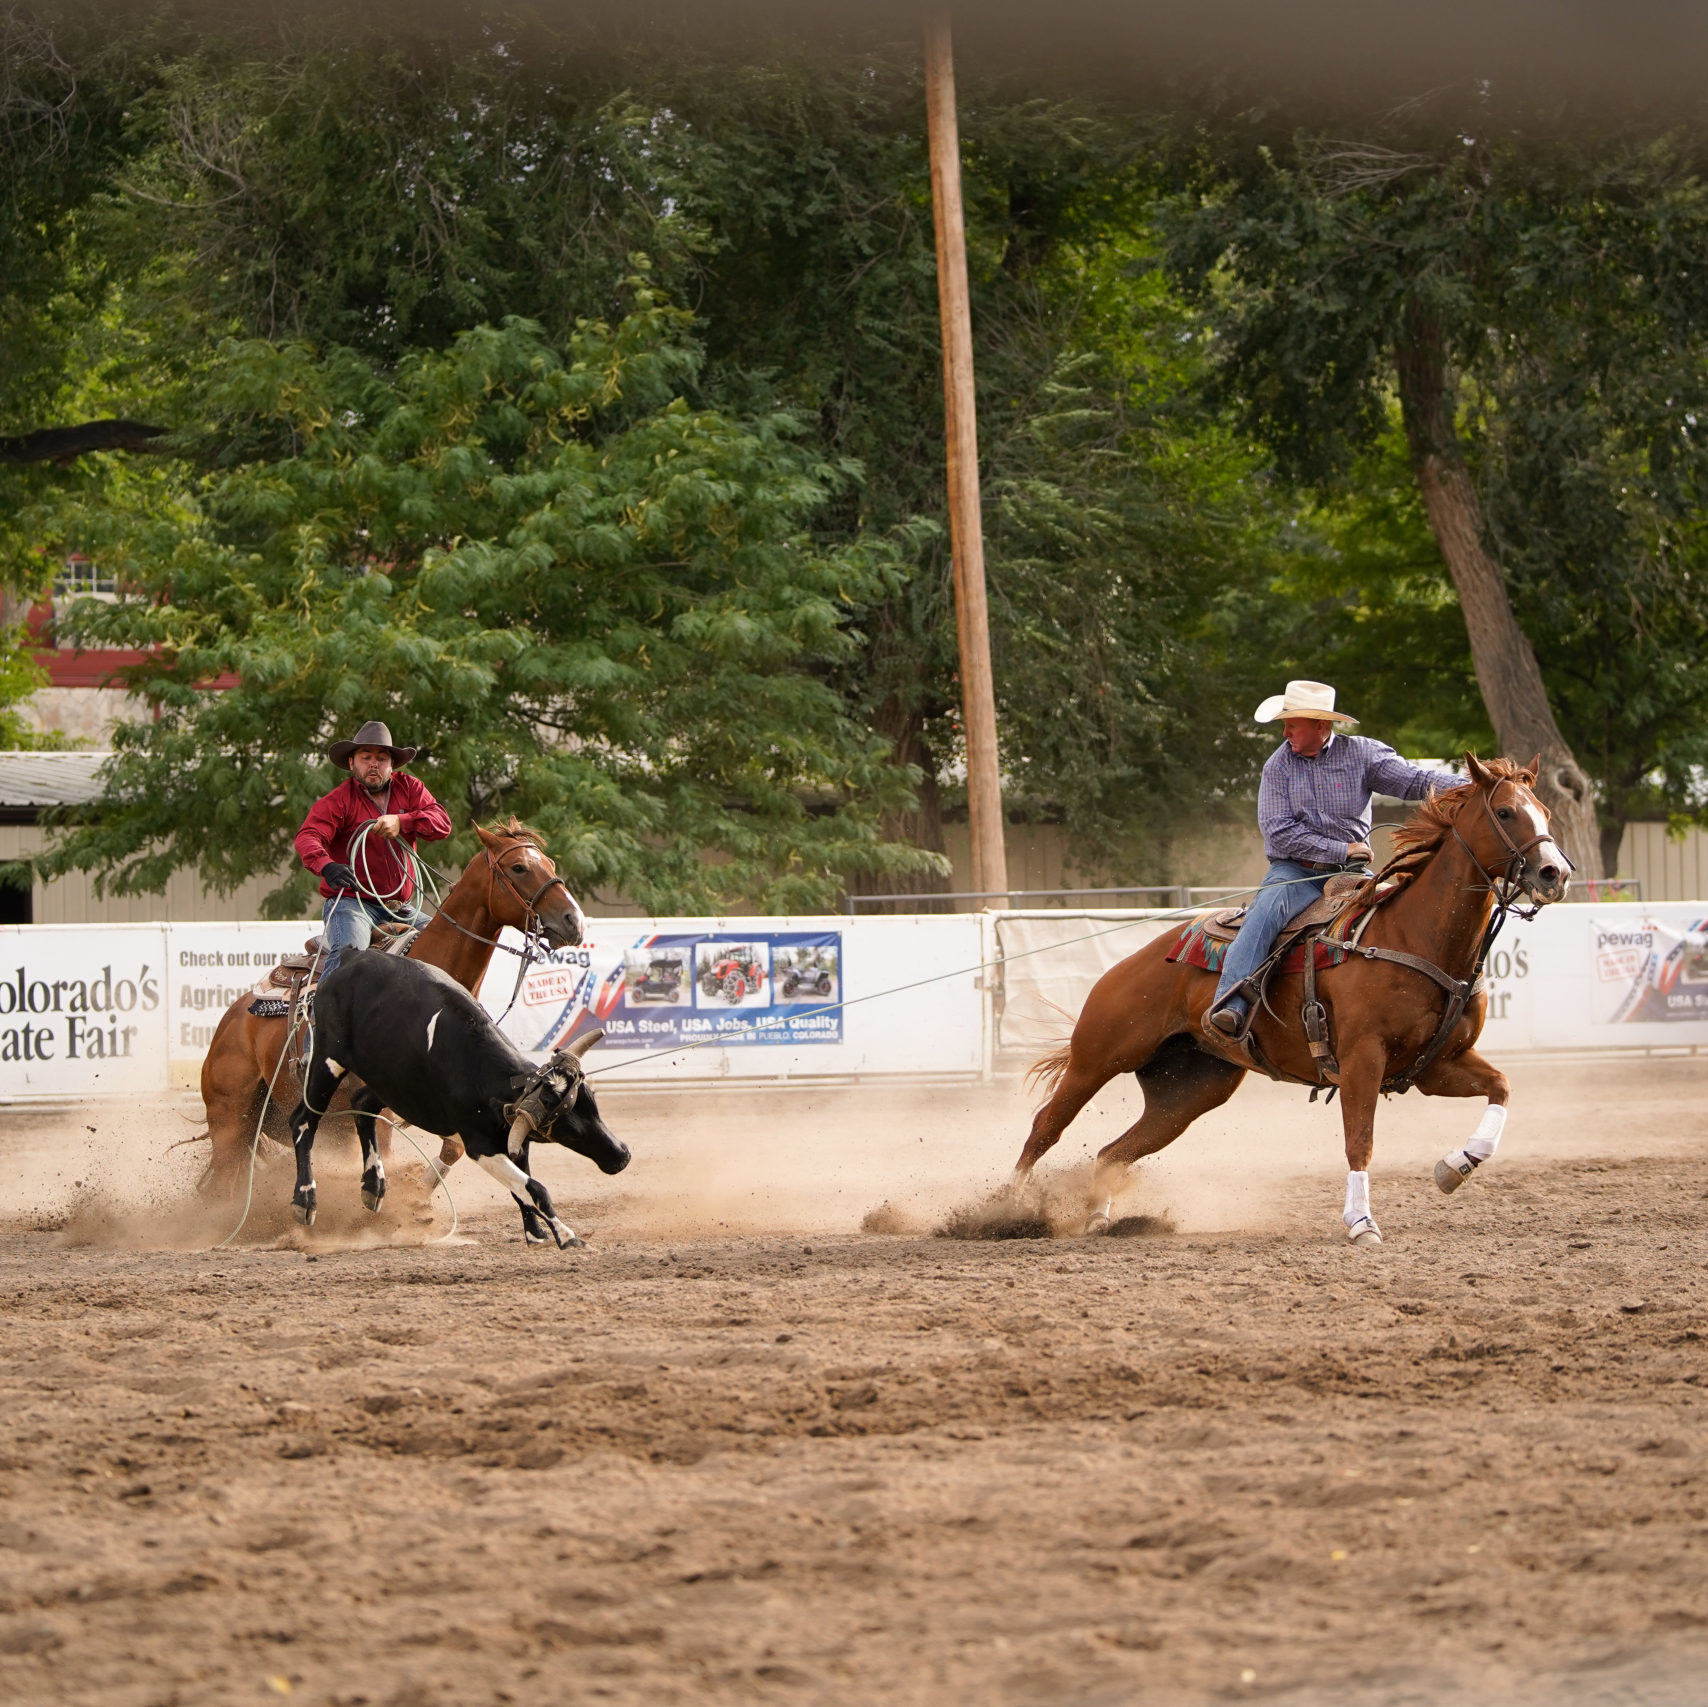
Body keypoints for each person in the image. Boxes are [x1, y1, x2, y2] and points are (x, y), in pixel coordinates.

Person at [1205, 681, 1460, 1040]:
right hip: (1294, 872)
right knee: (1263, 916)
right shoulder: (1277, 767)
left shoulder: (1362, 755)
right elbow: (1279, 833)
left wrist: (1475, 784)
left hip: (1354, 874)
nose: (1285, 731)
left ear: (1321, 726)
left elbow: (1416, 781)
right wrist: (1342, 850)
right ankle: (1231, 1004)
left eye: (1293, 724)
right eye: (1285, 723)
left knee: (1399, 921)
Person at [294, 720, 453, 982]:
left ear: (391, 765)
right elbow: (308, 836)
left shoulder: (411, 788)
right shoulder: (339, 800)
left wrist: (402, 822)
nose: (373, 764)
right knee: (351, 957)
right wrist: (326, 865)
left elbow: (442, 824)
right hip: (352, 903)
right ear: (351, 763)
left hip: (399, 907)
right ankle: (324, 1019)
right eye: (366, 757)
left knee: (449, 943)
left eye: (381, 758)